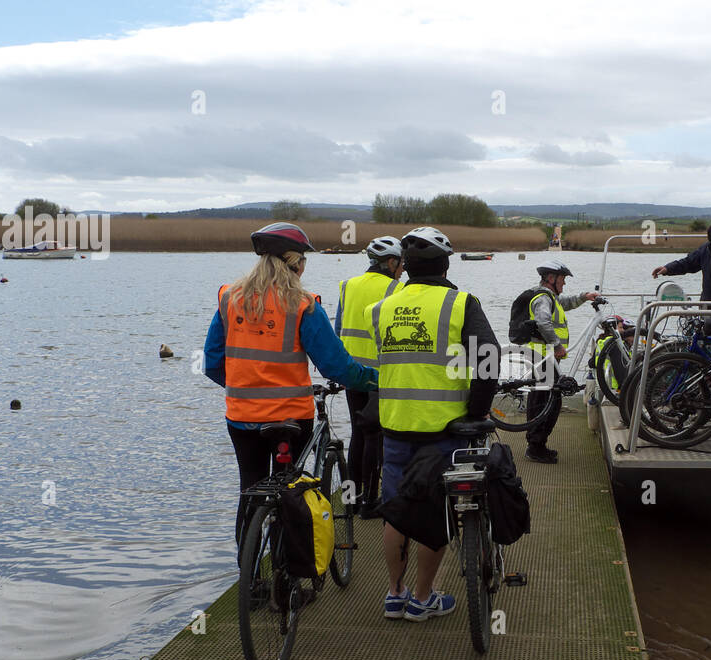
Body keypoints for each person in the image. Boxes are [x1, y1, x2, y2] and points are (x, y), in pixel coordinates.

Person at [202, 222, 378, 556]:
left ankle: (249, 579)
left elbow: (212, 362)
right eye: (303, 261)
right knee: (290, 491)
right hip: (291, 419)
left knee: (250, 488)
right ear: (294, 262)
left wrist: (243, 382)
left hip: (240, 417)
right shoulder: (303, 305)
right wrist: (375, 380)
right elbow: (336, 367)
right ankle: (288, 576)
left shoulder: (230, 298)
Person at [367, 226, 498, 621]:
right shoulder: (460, 303)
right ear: (445, 263)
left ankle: (395, 593)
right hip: (443, 430)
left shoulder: (381, 308)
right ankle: (423, 597)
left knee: (396, 509)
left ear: (404, 267)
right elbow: (487, 360)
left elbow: (385, 364)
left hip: (393, 425)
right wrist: (477, 412)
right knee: (436, 511)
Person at [334, 236, 404, 517]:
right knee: (375, 437)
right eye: (401, 264)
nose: (402, 270)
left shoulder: (347, 286)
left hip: (352, 372)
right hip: (379, 374)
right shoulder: (394, 289)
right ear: (390, 262)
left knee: (358, 435)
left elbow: (339, 327)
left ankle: (350, 499)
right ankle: (369, 503)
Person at [516, 260, 599, 463]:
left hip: (544, 356)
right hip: (542, 356)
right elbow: (543, 321)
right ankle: (535, 447)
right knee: (547, 402)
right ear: (551, 279)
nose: (564, 283)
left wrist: (584, 297)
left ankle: (537, 444)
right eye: (562, 279)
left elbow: (566, 303)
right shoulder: (543, 299)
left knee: (545, 400)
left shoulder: (550, 297)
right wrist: (556, 345)